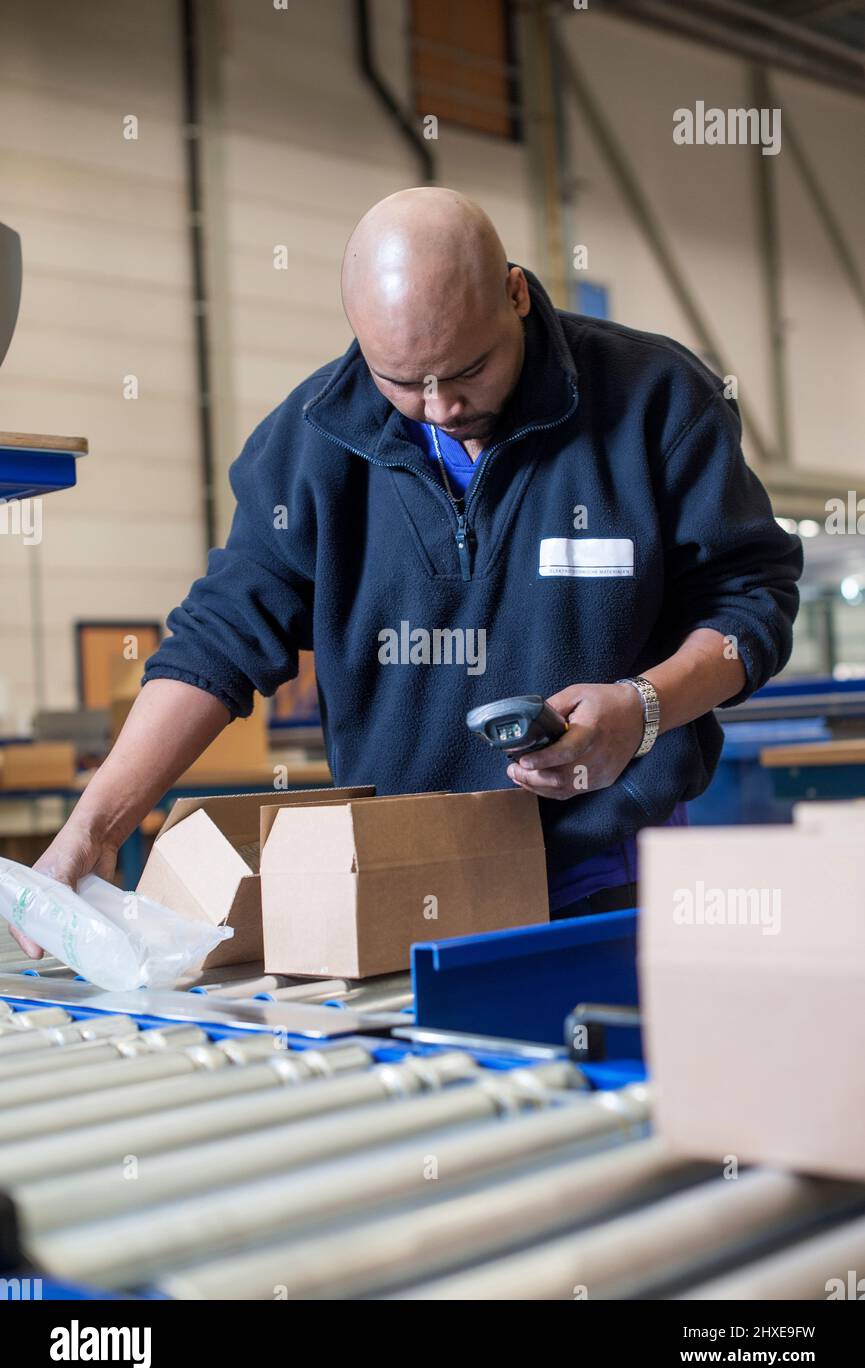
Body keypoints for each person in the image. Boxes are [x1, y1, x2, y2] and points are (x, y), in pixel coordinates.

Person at [8, 186, 802, 956]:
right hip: (394, 887)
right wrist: (94, 829)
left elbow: (751, 602)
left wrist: (644, 709)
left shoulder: (654, 401)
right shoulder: (310, 445)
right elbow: (217, 642)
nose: (441, 408)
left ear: (516, 294)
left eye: (466, 371)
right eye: (403, 382)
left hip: (610, 880)